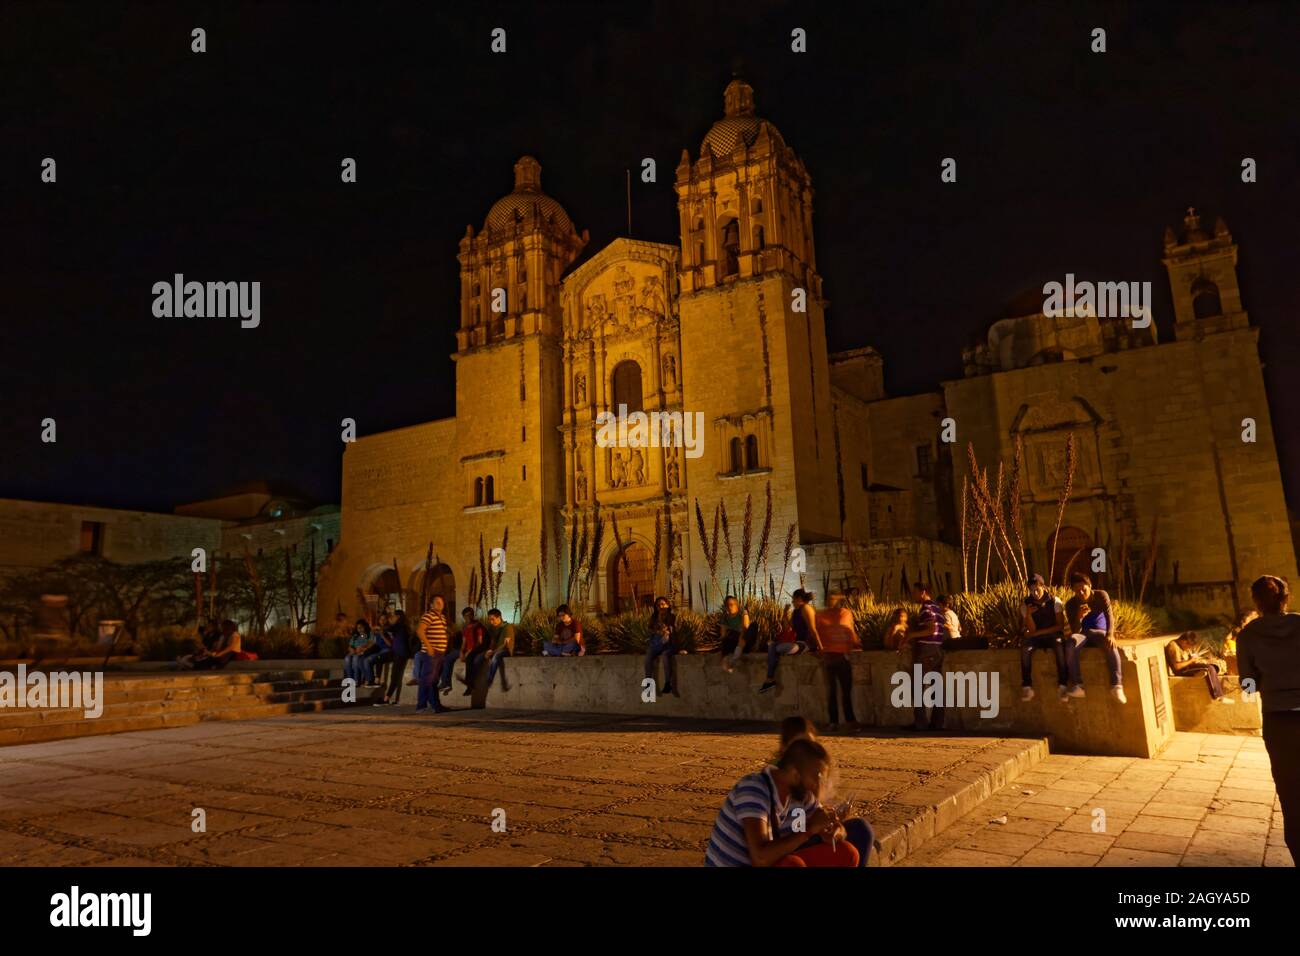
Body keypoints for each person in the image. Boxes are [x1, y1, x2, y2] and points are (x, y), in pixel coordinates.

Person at [704, 737, 874, 867]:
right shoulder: (754, 789)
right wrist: (808, 830)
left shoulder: (801, 794)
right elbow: (760, 858)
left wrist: (835, 831)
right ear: (794, 773)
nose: (819, 785)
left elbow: (831, 826)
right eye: (817, 777)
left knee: (853, 841)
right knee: (792, 865)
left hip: (778, 856)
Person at [1236, 574, 1300, 860]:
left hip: (1279, 719)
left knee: (1291, 791)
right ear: (1286, 598)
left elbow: (1248, 684)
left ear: (1257, 603)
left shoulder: (1248, 635)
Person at [1062, 572, 1126, 703]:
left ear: (1089, 586)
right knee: (1070, 644)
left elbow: (1110, 617)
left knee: (1110, 644)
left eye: (1083, 589)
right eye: (1077, 590)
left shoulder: (1101, 595)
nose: (1081, 592)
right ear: (1073, 590)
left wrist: (1110, 634)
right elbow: (1075, 631)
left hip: (1099, 632)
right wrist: (1079, 617)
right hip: (1082, 633)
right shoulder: (1071, 604)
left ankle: (1117, 686)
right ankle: (1077, 685)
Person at [899, 582, 949, 730]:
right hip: (938, 650)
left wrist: (911, 635)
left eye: (915, 592)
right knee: (936, 687)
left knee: (918, 687)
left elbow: (931, 629)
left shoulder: (926, 608)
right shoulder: (937, 609)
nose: (913, 595)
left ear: (923, 592)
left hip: (926, 650)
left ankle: (920, 723)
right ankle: (937, 723)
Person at [759, 589, 820, 693]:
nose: (792, 602)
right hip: (798, 644)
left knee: (777, 647)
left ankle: (770, 679)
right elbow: (788, 627)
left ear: (799, 599)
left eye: (793, 600)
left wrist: (820, 647)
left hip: (806, 644)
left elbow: (813, 629)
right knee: (773, 646)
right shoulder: (796, 612)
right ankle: (769, 679)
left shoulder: (806, 608)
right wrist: (784, 612)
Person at [1020, 573, 1069, 702]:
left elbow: (1060, 626)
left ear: (1043, 587)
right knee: (1026, 649)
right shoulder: (1026, 604)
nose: (1034, 593)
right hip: (1037, 637)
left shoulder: (1054, 601)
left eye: (1037, 589)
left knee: (1059, 646)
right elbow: (1032, 630)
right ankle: (1027, 686)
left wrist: (1038, 633)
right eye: (1031, 590)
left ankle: (1063, 685)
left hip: (1053, 634)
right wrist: (1029, 615)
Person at [817, 593, 860, 731]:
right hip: (829, 657)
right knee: (832, 692)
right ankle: (834, 721)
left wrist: (855, 644)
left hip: (842, 656)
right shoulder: (821, 616)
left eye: (834, 599)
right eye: (830, 599)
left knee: (845, 691)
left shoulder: (846, 614)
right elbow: (816, 634)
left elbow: (850, 632)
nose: (832, 602)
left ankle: (849, 721)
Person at [1165, 631, 1231, 703]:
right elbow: (1177, 667)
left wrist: (1192, 659)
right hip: (1183, 671)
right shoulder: (1173, 646)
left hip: (1188, 667)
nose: (1188, 648)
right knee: (1209, 669)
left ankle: (1200, 673)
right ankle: (1218, 696)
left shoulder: (1180, 645)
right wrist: (1191, 661)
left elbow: (1185, 659)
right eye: (1188, 646)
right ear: (1184, 641)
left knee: (1214, 667)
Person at [413, 596, 450, 713]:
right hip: (431, 652)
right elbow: (420, 631)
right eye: (437, 602)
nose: (440, 604)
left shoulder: (442, 618)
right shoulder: (428, 615)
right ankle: (421, 705)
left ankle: (436, 705)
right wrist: (429, 646)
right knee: (427, 679)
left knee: (433, 680)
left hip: (440, 652)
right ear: (431, 605)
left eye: (441, 601)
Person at [374, 609, 414, 706]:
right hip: (395, 652)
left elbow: (387, 628)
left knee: (395, 676)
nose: (392, 618)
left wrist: (380, 629)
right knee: (379, 658)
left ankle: (386, 698)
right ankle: (377, 679)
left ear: (398, 617)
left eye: (393, 616)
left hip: (401, 654)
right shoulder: (399, 626)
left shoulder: (400, 625)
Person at [645, 596, 679, 696]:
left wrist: (667, 630)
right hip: (656, 644)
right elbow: (650, 629)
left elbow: (673, 630)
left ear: (668, 605)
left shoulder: (672, 616)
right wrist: (658, 630)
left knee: (665, 656)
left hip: (668, 644)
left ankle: (668, 684)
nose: (660, 606)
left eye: (663, 604)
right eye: (658, 605)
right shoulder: (654, 617)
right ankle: (648, 685)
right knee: (648, 658)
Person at [455, 607, 489, 696]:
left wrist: (469, 651)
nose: (468, 617)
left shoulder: (478, 626)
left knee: (470, 658)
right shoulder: (465, 628)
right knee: (448, 657)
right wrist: (462, 652)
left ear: (473, 615)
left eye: (470, 615)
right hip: (469, 649)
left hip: (478, 648)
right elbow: (464, 642)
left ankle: (469, 684)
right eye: (466, 616)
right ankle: (446, 682)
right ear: (463, 617)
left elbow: (480, 642)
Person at [718, 596, 753, 673]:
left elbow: (746, 628)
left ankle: (737, 653)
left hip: (744, 643)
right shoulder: (724, 618)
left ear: (736, 605)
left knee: (753, 626)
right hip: (733, 642)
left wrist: (745, 615)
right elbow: (723, 635)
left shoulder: (742, 614)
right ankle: (726, 663)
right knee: (729, 635)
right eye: (727, 605)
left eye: (732, 604)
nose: (729, 607)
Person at [484, 608, 515, 695]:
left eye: (492, 619)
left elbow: (505, 645)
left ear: (499, 617)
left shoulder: (507, 627)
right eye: (489, 620)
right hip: (496, 651)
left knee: (496, 656)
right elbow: (492, 642)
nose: (491, 622)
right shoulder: (493, 629)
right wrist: (489, 650)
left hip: (506, 651)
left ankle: (489, 681)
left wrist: (493, 652)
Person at [363, 613, 393, 689]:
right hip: (379, 649)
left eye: (384, 619)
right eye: (381, 619)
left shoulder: (389, 629)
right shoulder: (378, 629)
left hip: (386, 650)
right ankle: (369, 679)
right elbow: (373, 641)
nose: (382, 621)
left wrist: (382, 635)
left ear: (387, 620)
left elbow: (390, 644)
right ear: (379, 620)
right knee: (365, 658)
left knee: (375, 658)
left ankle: (375, 680)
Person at [344, 619, 377, 686]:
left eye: (361, 627)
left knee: (355, 658)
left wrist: (362, 648)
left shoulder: (369, 634)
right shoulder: (355, 636)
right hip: (354, 652)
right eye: (358, 628)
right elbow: (350, 646)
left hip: (362, 652)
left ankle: (356, 680)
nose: (359, 629)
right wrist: (352, 649)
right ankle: (350, 679)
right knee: (347, 658)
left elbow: (371, 643)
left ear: (365, 627)